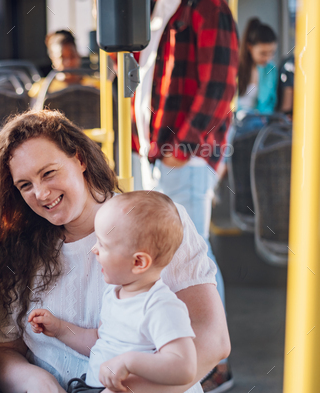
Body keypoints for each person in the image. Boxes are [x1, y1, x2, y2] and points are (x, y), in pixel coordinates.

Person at [0, 110, 230, 393]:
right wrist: (36, 383)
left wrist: (128, 388)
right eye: (25, 185)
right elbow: (3, 350)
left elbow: (213, 339)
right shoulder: (14, 246)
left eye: (48, 173)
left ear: (80, 159)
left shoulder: (154, 221)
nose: (40, 194)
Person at [130, 1, 238, 390]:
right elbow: (142, 80)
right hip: (152, 151)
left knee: (193, 253)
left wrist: (186, 145)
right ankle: (180, 352)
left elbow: (221, 84)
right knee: (168, 252)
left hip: (183, 156)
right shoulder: (155, 11)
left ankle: (213, 364)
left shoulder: (206, 7)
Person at [28, 191, 198, 393]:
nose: (94, 249)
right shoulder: (114, 293)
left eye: (103, 244)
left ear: (138, 262)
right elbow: (101, 340)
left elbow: (184, 367)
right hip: (93, 386)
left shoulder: (161, 306)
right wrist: (59, 329)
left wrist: (129, 362)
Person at [29, 30, 100, 98]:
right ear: (52, 59)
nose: (68, 62)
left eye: (72, 56)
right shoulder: (41, 89)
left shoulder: (98, 85)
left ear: (78, 55)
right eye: (62, 58)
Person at [237, 18, 278, 115]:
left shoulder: (271, 70)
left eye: (272, 53)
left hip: (262, 125)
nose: (268, 58)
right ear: (250, 47)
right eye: (263, 53)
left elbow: (271, 103)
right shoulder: (236, 67)